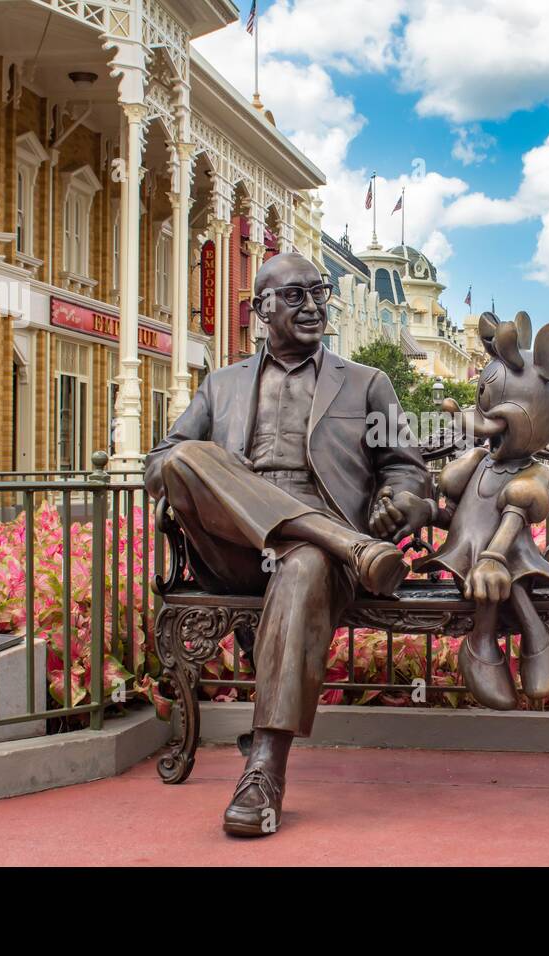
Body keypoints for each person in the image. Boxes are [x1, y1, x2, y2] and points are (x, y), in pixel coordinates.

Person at [145, 252, 434, 837]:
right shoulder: (220, 384)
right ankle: (339, 539)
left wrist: (397, 503)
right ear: (261, 310)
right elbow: (160, 467)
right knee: (182, 456)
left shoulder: (366, 383)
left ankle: (264, 769)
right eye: (295, 295)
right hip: (238, 552)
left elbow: (408, 471)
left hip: (316, 564)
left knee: (301, 565)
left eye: (319, 293)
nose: (312, 306)